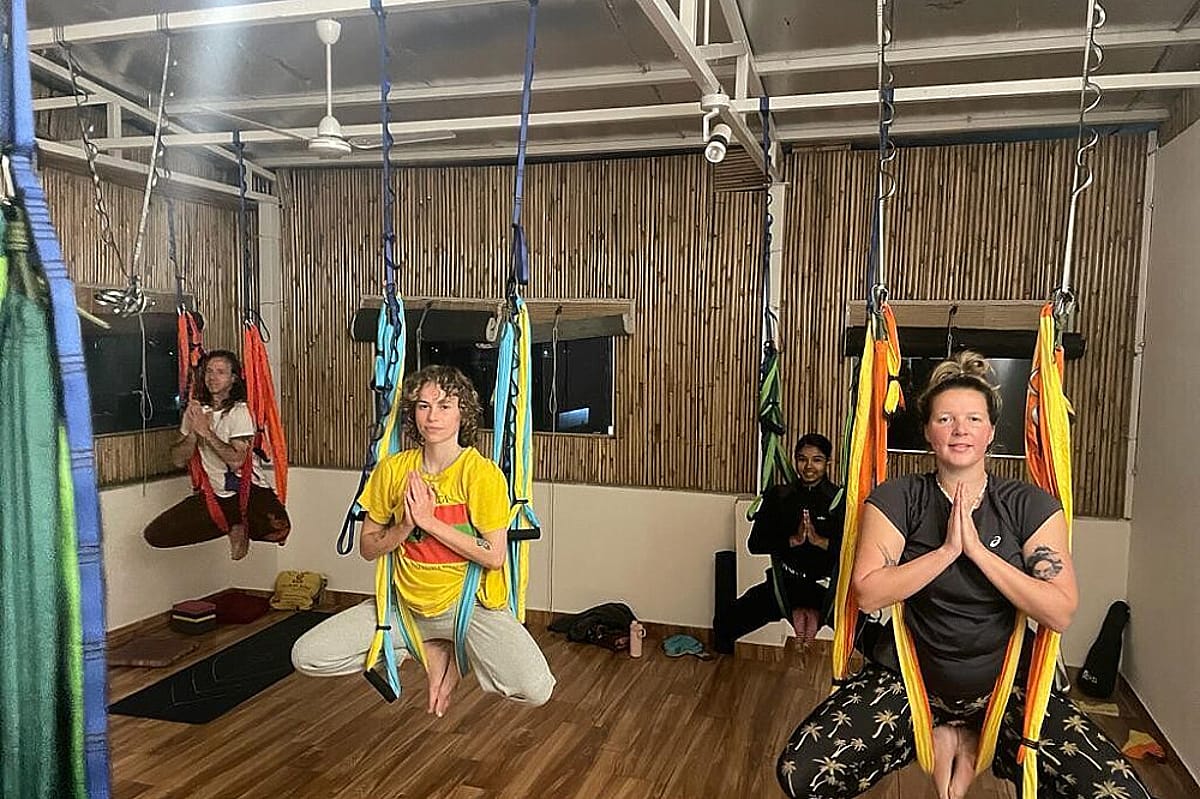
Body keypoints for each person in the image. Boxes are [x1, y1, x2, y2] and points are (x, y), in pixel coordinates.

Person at [776, 351, 1150, 799]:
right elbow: (869, 593)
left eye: (973, 418)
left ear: (991, 432)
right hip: (911, 682)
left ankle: (972, 736)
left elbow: (1059, 611)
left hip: (1005, 688)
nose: (960, 429)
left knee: (1120, 794)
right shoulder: (898, 498)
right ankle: (939, 730)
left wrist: (978, 552)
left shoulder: (1027, 505)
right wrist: (948, 551)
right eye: (945, 419)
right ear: (927, 432)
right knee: (802, 774)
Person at [291, 365, 555, 715]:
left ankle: (456, 649)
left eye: (444, 406)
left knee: (537, 689)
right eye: (423, 406)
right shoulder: (393, 470)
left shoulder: (480, 474)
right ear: (413, 413)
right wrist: (404, 525)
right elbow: (368, 547)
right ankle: (429, 648)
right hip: (404, 609)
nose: (432, 417)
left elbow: (494, 556)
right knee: (307, 656)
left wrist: (429, 521)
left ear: (463, 413)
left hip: (469, 609)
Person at [144, 349, 289, 560]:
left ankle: (239, 524)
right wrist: (193, 433)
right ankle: (233, 524)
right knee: (155, 536)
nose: (212, 377)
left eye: (220, 372)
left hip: (249, 491)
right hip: (217, 496)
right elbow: (178, 460)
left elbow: (236, 461)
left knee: (280, 531)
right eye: (209, 371)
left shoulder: (240, 412)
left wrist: (207, 433)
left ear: (233, 379)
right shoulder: (196, 412)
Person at [714, 433, 845, 653]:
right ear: (795, 460)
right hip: (785, 587)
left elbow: (853, 552)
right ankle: (718, 672)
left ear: (828, 462)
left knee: (873, 637)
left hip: (825, 591)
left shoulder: (839, 500)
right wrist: (792, 541)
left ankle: (811, 614)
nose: (808, 467)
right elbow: (755, 545)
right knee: (724, 624)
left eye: (817, 460)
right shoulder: (780, 497)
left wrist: (820, 541)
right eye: (802, 459)